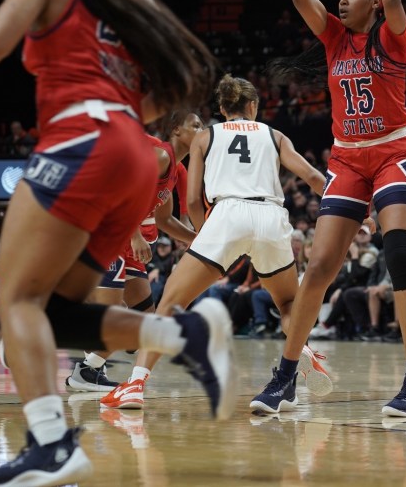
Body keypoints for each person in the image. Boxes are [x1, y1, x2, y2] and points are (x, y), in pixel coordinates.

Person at [0, 0, 229, 486]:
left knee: (17, 301)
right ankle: (184, 335)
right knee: (56, 311)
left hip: (80, 142)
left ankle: (51, 444)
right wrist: (128, 111)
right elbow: (185, 81)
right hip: (136, 154)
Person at [255, 0, 406, 417]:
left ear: (374, 4)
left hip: (392, 151)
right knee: (318, 268)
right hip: (347, 158)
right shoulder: (334, 38)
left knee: (399, 256)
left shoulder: (391, 33)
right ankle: (286, 377)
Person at [102, 75, 330, 412]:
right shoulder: (275, 135)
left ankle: (135, 385)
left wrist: (207, 234)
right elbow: (311, 176)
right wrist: (357, 211)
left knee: (170, 303)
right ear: (253, 106)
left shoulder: (205, 136)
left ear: (222, 109)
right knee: (287, 304)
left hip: (227, 214)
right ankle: (303, 351)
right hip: (271, 216)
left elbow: (194, 200)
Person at [67, 112, 201, 393]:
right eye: (196, 125)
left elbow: (165, 220)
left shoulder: (173, 168)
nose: (202, 130)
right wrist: (136, 235)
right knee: (116, 316)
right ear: (176, 130)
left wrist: (197, 239)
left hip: (127, 244)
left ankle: (89, 369)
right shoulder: (161, 156)